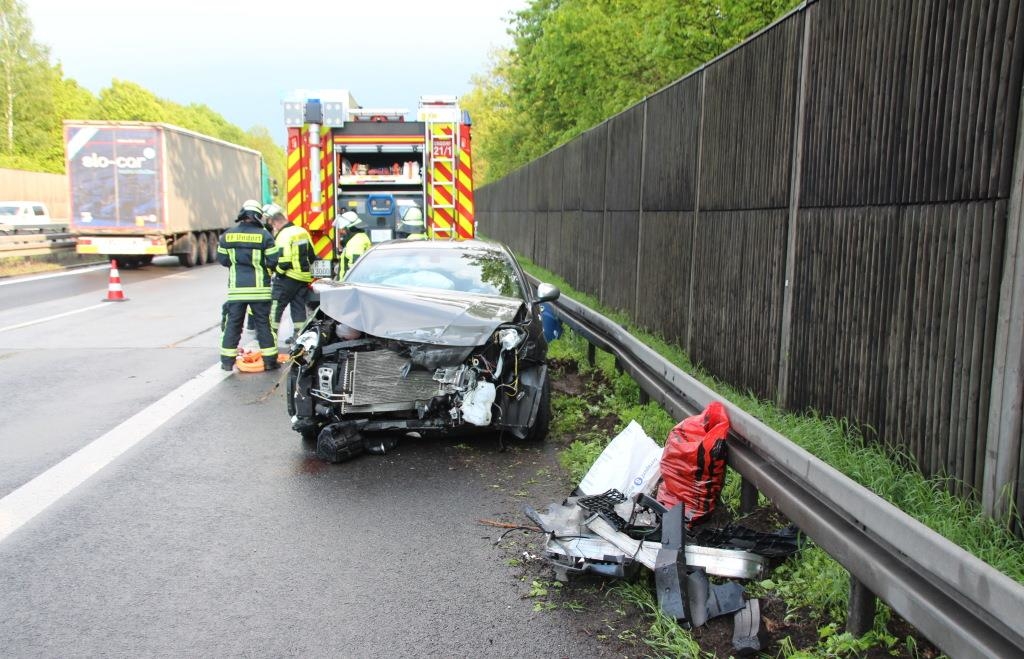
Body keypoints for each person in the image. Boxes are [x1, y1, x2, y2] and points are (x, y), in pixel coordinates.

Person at [217, 200, 281, 372]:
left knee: (233, 325)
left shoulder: (227, 236)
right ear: (259, 217)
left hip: (236, 291)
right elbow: (274, 260)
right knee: (263, 325)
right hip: (260, 291)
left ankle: (227, 362)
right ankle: (269, 361)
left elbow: (223, 260)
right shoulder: (265, 236)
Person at [264, 203, 313, 344]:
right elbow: (312, 255)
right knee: (298, 309)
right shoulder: (302, 231)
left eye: (273, 225)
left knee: (276, 307)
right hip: (303, 278)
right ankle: (299, 338)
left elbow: (284, 262)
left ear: (275, 222)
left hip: (287, 278)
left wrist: (277, 274)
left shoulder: (283, 235)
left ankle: (270, 338)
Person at [334, 210, 372, 277]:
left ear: (349, 228)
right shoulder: (359, 237)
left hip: (348, 285)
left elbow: (354, 270)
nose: (341, 232)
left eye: (343, 229)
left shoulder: (355, 242)